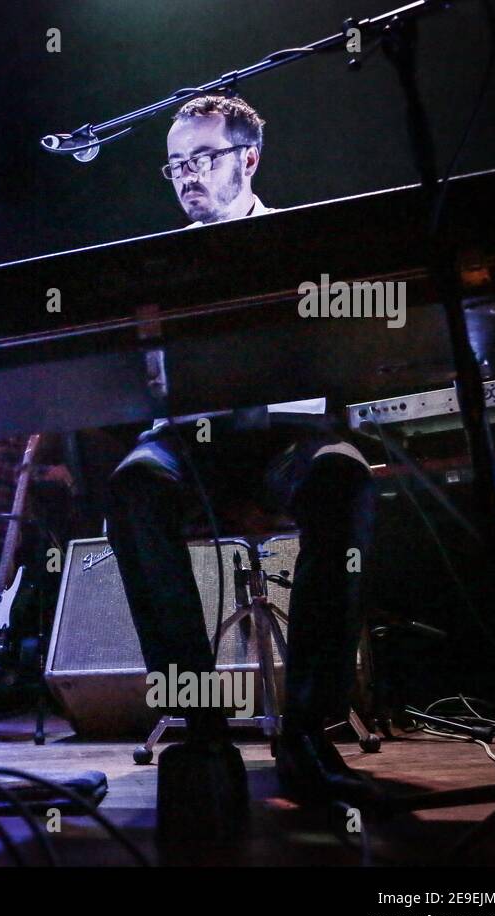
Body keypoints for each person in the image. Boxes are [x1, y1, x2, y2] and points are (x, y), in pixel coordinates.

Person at [103, 97, 380, 828]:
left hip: (282, 437)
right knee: (133, 484)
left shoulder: (299, 243)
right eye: (176, 164)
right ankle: (201, 730)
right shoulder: (153, 267)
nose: (187, 176)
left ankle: (308, 730)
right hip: (188, 441)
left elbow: (349, 345)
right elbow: (130, 379)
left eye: (203, 158)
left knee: (342, 475)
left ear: (248, 159)